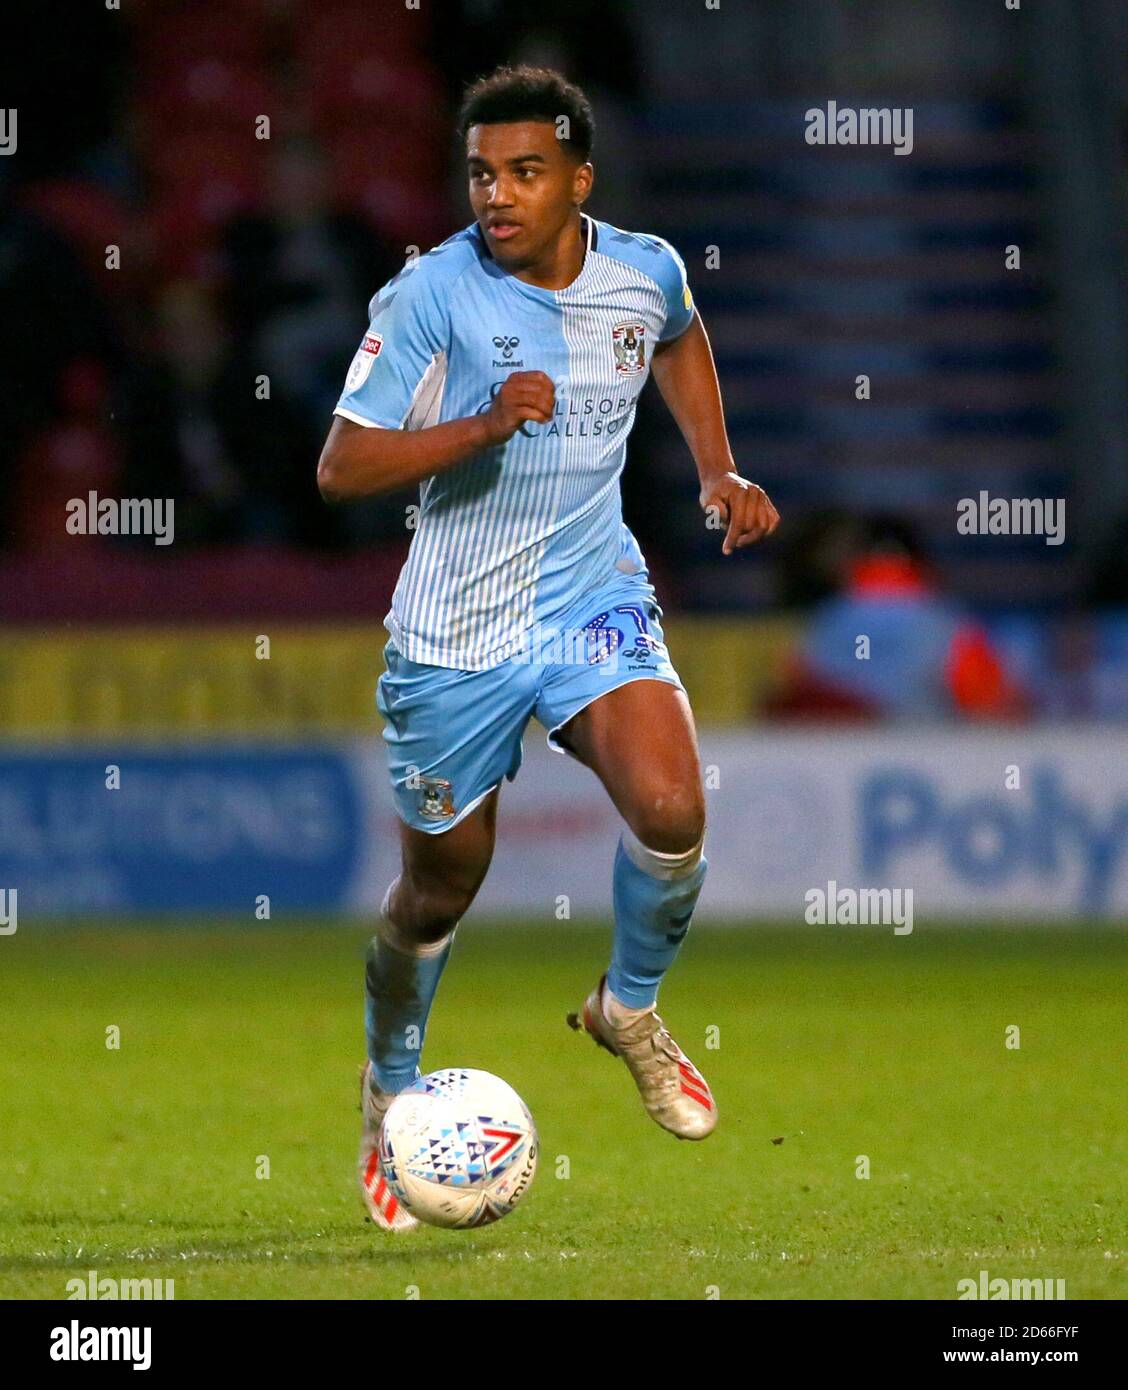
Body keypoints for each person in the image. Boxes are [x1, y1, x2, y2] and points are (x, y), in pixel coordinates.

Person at [317, 66, 780, 1231]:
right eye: (481, 173)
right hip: (453, 632)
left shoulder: (647, 270)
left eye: (525, 172)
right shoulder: (426, 296)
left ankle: (627, 1008)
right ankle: (388, 1081)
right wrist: (481, 424)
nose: (498, 195)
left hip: (590, 599)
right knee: (440, 890)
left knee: (673, 808)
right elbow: (340, 468)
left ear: (580, 178)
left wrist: (715, 464)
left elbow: (677, 336)